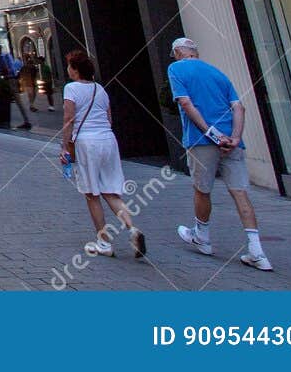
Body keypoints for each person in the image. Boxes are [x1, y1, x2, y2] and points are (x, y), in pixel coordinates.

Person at [168, 37, 270, 271]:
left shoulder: (176, 69)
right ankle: (257, 250)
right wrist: (234, 137)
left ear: (178, 52)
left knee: (202, 190)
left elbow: (185, 103)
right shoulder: (217, 73)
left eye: (174, 54)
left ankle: (202, 236)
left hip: (201, 140)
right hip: (232, 142)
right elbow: (239, 107)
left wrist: (211, 134)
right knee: (240, 193)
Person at [60, 49, 146, 259]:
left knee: (91, 194)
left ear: (76, 69)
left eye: (70, 66)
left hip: (87, 142)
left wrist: (64, 146)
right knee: (110, 192)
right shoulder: (101, 89)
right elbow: (109, 119)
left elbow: (69, 119)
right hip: (108, 140)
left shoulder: (71, 88)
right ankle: (132, 228)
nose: (68, 70)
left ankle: (104, 242)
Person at [0, 44, 32, 129]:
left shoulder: (5, 56)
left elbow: (10, 69)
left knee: (17, 100)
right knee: (8, 101)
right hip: (7, 80)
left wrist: (5, 72)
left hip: (11, 80)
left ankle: (26, 121)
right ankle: (21, 121)